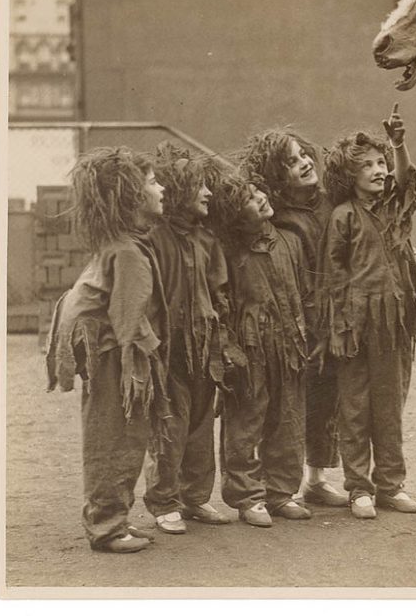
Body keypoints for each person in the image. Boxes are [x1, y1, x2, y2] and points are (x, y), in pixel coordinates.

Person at [45, 147, 167, 553]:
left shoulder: (120, 244)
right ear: (132, 197)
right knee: (117, 438)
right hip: (113, 354)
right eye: (153, 182)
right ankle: (107, 527)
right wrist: (142, 366)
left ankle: (114, 519)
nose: (162, 189)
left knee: (119, 435)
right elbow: (129, 321)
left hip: (107, 349)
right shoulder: (128, 252)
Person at [319, 107, 416, 520]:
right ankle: (358, 488)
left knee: (390, 406)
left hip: (393, 323)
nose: (379, 170)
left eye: (381, 163)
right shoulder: (343, 216)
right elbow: (334, 277)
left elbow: (406, 179)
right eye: (367, 165)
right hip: (355, 325)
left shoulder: (393, 209)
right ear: (350, 176)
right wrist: (339, 327)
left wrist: (398, 145)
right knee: (354, 407)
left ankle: (390, 485)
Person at [239, 129, 345, 508]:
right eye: (290, 162)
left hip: (336, 313)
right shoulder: (278, 218)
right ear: (275, 176)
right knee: (289, 402)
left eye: (303, 155)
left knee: (327, 397)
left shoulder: (330, 202)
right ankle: (279, 482)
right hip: (297, 317)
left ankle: (316, 478)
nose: (304, 163)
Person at [206, 169, 313, 527]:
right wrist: (227, 346)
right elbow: (220, 301)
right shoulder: (228, 251)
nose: (261, 198)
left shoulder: (290, 241)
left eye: (258, 192)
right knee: (245, 421)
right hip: (249, 349)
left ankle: (281, 492)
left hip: (289, 344)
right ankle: (247, 495)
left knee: (289, 418)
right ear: (235, 216)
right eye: (249, 200)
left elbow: (305, 290)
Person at [142, 143, 232, 534]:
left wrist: (221, 337)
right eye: (199, 186)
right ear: (179, 191)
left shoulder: (206, 240)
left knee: (200, 423)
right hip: (170, 347)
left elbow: (219, 291)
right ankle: (164, 500)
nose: (207, 193)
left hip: (204, 345)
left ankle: (195, 497)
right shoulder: (156, 237)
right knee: (170, 424)